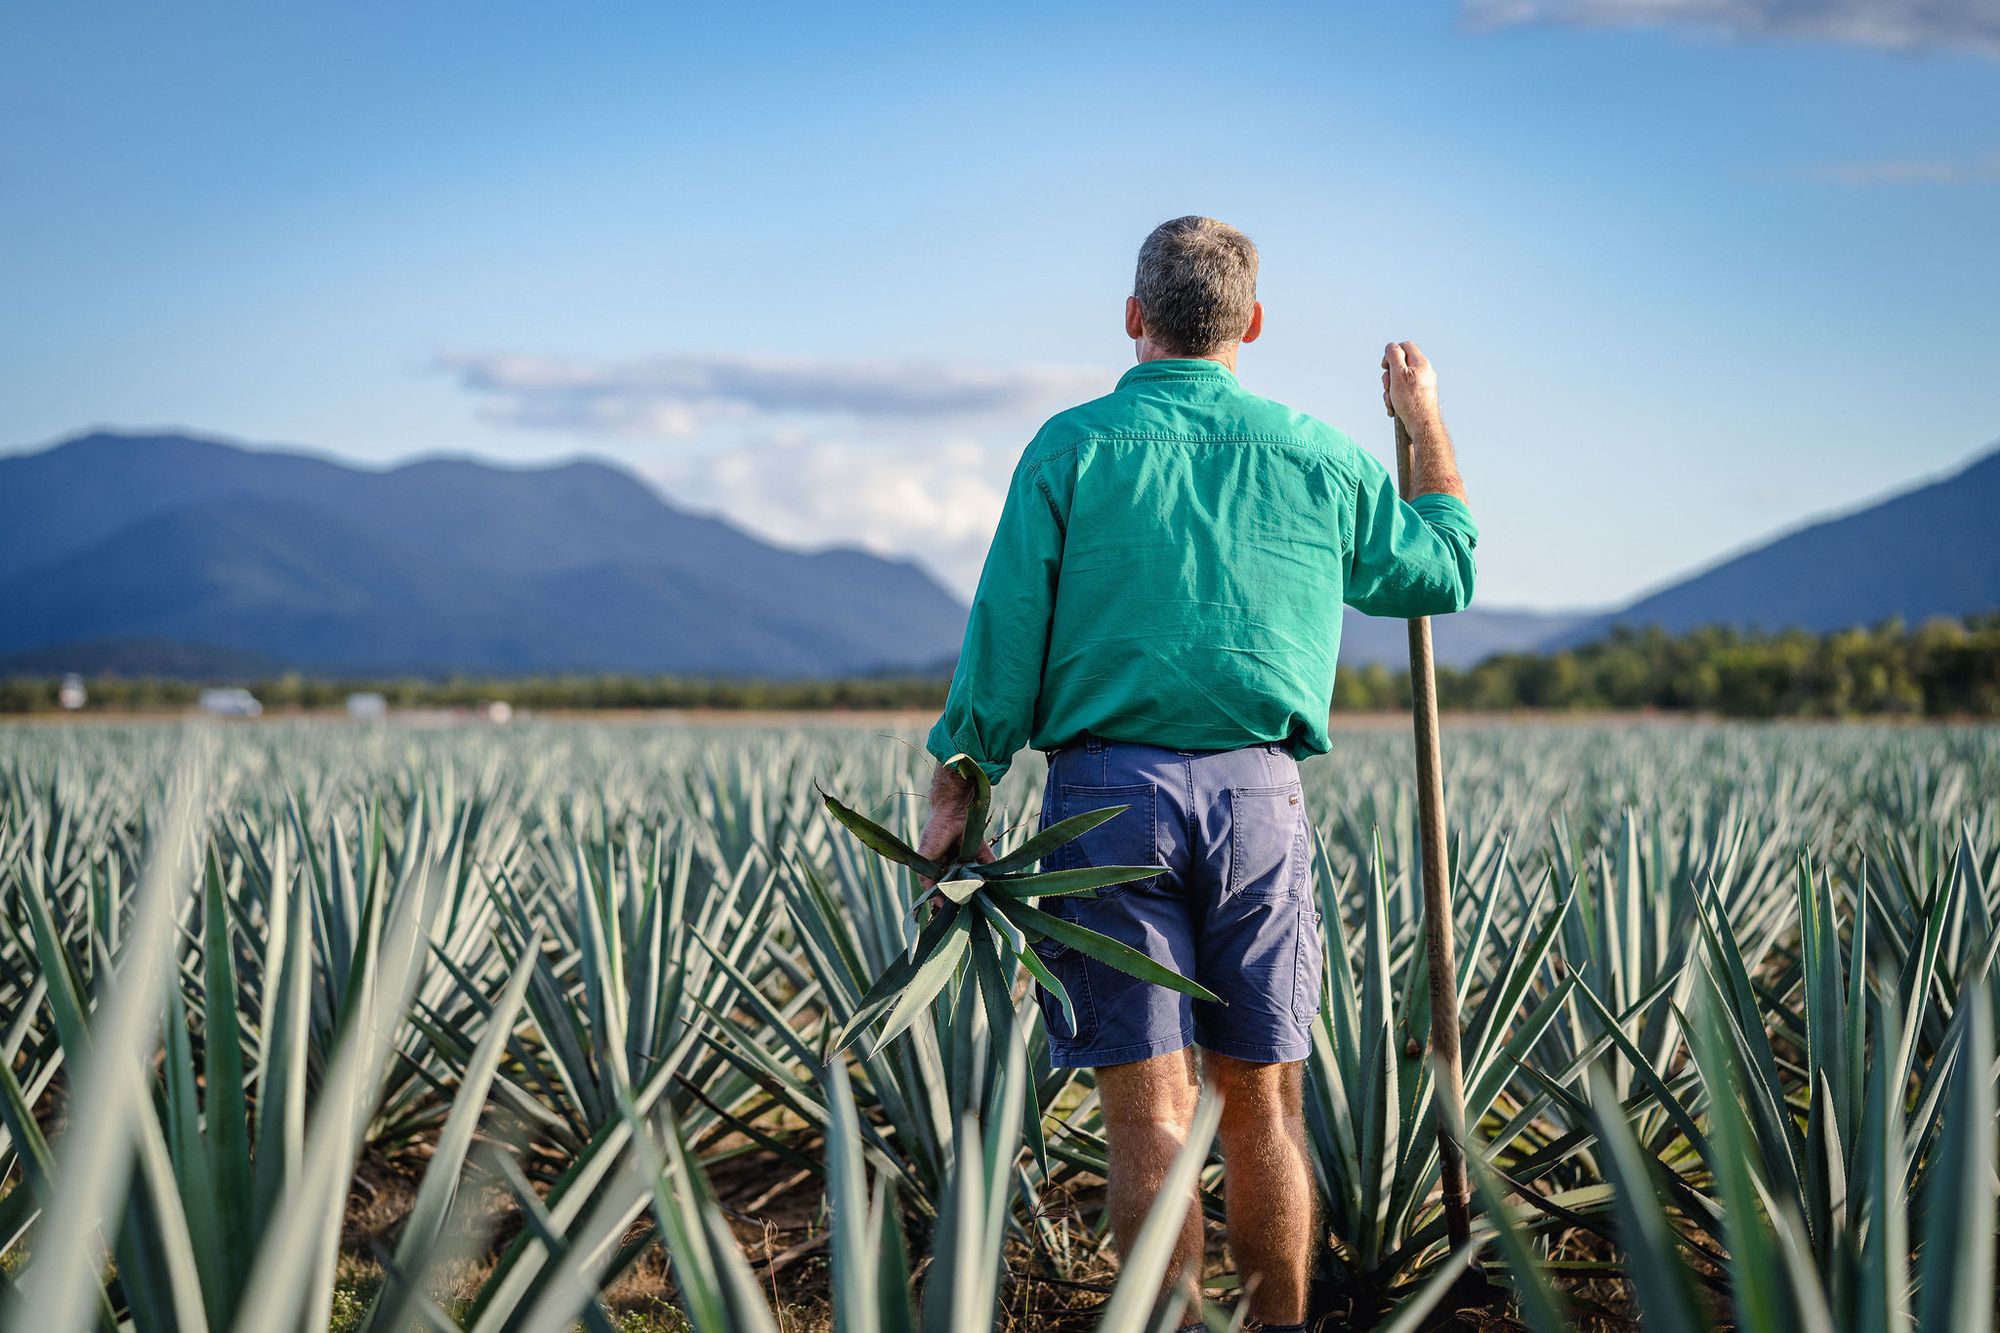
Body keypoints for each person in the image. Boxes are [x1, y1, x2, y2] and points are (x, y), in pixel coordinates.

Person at [916, 215, 1476, 1332]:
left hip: (1104, 801)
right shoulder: (1316, 455)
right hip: (1257, 798)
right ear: (1252, 323)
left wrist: (957, 787)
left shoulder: (1071, 448)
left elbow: (1006, 634)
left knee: (1147, 1118)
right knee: (1263, 1106)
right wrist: (1425, 423)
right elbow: (1442, 571)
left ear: (1134, 316)